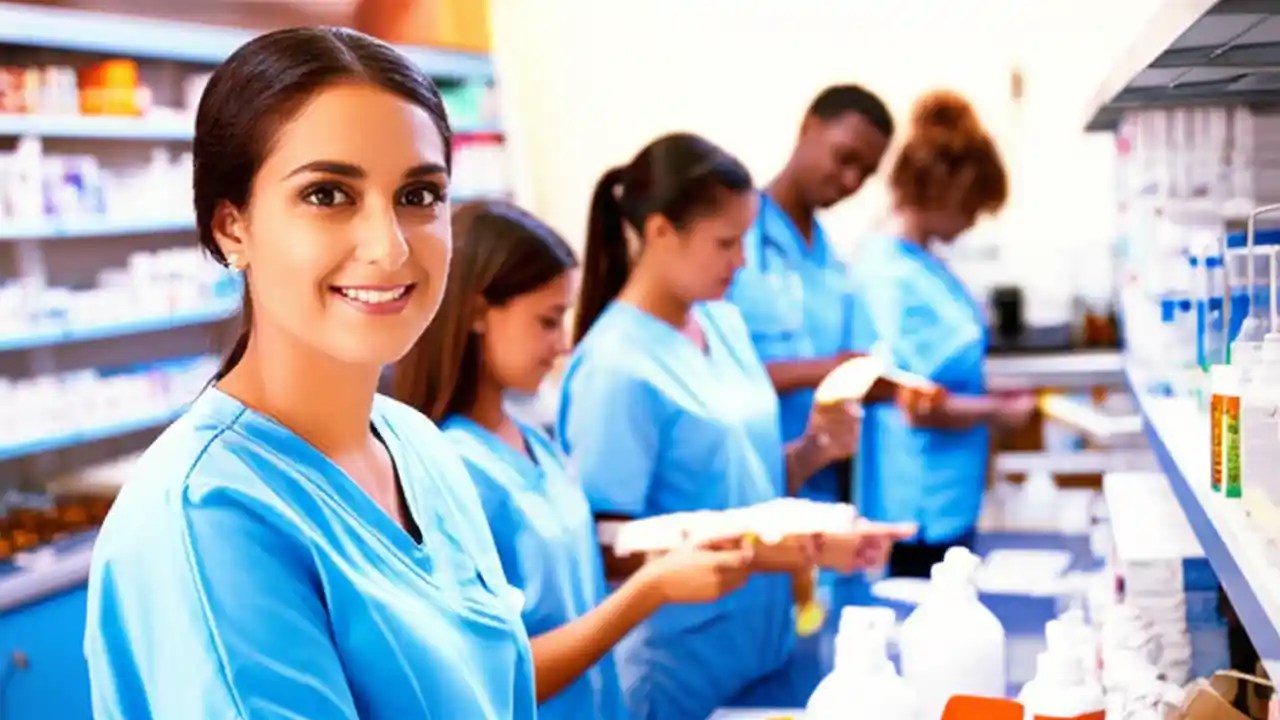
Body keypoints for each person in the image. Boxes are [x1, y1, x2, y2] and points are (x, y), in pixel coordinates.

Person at [83, 28, 535, 719]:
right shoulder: (207, 516)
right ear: (231, 226)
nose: (388, 248)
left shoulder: (417, 445)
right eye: (328, 195)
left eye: (419, 195)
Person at [561, 132, 912, 720]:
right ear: (659, 233)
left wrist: (814, 450)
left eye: (745, 239)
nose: (742, 261)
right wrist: (762, 549)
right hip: (680, 664)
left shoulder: (722, 326)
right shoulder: (614, 368)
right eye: (726, 242)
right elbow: (604, 547)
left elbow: (746, 481)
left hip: (769, 639)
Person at [394, 200, 758, 720]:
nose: (562, 344)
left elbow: (572, 571)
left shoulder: (531, 442)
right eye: (547, 321)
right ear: (477, 312)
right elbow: (501, 675)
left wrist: (677, 546)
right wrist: (649, 591)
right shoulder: (452, 468)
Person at [849, 90, 1035, 578]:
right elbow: (915, 401)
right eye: (972, 206)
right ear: (946, 192)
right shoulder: (890, 275)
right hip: (919, 504)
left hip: (950, 496)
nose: (973, 220)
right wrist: (1000, 411)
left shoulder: (925, 265)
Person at [727, 84, 895, 503]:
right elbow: (710, 376)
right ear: (809, 127)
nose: (851, 180)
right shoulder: (735, 245)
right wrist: (826, 369)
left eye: (866, 173)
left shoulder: (831, 265)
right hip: (754, 488)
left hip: (826, 492)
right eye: (845, 158)